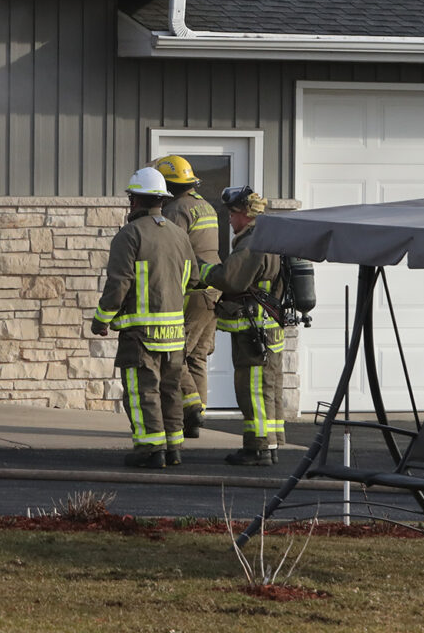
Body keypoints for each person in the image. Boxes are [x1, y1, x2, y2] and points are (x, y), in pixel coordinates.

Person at [90, 167, 195, 469]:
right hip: (174, 335)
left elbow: (118, 284)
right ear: (160, 200)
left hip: (141, 335)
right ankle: (174, 449)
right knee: (170, 391)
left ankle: (150, 450)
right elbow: (191, 278)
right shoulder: (179, 235)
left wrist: (101, 320)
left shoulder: (129, 235)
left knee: (142, 392)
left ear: (134, 201)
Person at [200, 186, 285, 466]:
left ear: (246, 215)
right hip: (270, 327)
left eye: (233, 214)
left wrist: (202, 270)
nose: (230, 220)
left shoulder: (252, 242)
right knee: (268, 387)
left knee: (252, 389)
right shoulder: (273, 237)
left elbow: (231, 279)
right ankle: (269, 445)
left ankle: (257, 448)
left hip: (253, 331)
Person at [153, 155, 222, 439]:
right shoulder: (206, 206)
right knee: (198, 358)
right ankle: (196, 419)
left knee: (174, 352)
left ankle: (190, 408)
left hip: (192, 292)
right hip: (213, 290)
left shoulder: (176, 211)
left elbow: (171, 248)